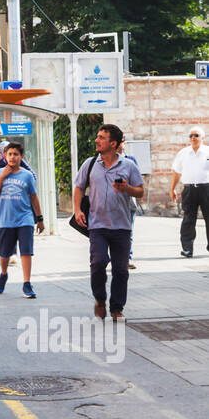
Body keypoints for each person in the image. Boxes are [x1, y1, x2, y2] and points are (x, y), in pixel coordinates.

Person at [73, 123, 143, 321]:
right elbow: (79, 187)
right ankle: (100, 299)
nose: (97, 140)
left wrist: (127, 188)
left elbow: (140, 191)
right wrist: (77, 210)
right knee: (98, 262)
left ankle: (117, 309)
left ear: (113, 143)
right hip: (97, 225)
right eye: (97, 136)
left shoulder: (129, 166)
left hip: (121, 225)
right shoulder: (90, 163)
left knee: (121, 269)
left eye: (102, 137)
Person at [0, 139, 44, 298]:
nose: (12, 157)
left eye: (15, 154)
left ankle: (27, 284)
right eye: (9, 154)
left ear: (21, 156)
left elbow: (34, 198)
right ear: (5, 156)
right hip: (5, 220)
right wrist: (2, 176)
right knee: (5, 254)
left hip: (25, 219)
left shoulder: (27, 175)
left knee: (26, 251)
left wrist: (40, 219)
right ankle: (4, 274)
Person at [169, 126, 209, 257]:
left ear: (202, 137)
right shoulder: (183, 153)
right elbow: (177, 172)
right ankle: (187, 249)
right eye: (191, 135)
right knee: (188, 219)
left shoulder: (208, 152)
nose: (193, 137)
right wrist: (172, 188)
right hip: (189, 190)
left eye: (196, 135)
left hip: (206, 189)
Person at [117, 136, 140, 270]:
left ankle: (127, 258)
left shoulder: (131, 160)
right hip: (112, 203)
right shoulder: (105, 160)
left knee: (128, 231)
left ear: (124, 144)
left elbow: (137, 180)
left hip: (128, 202)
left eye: (120, 142)